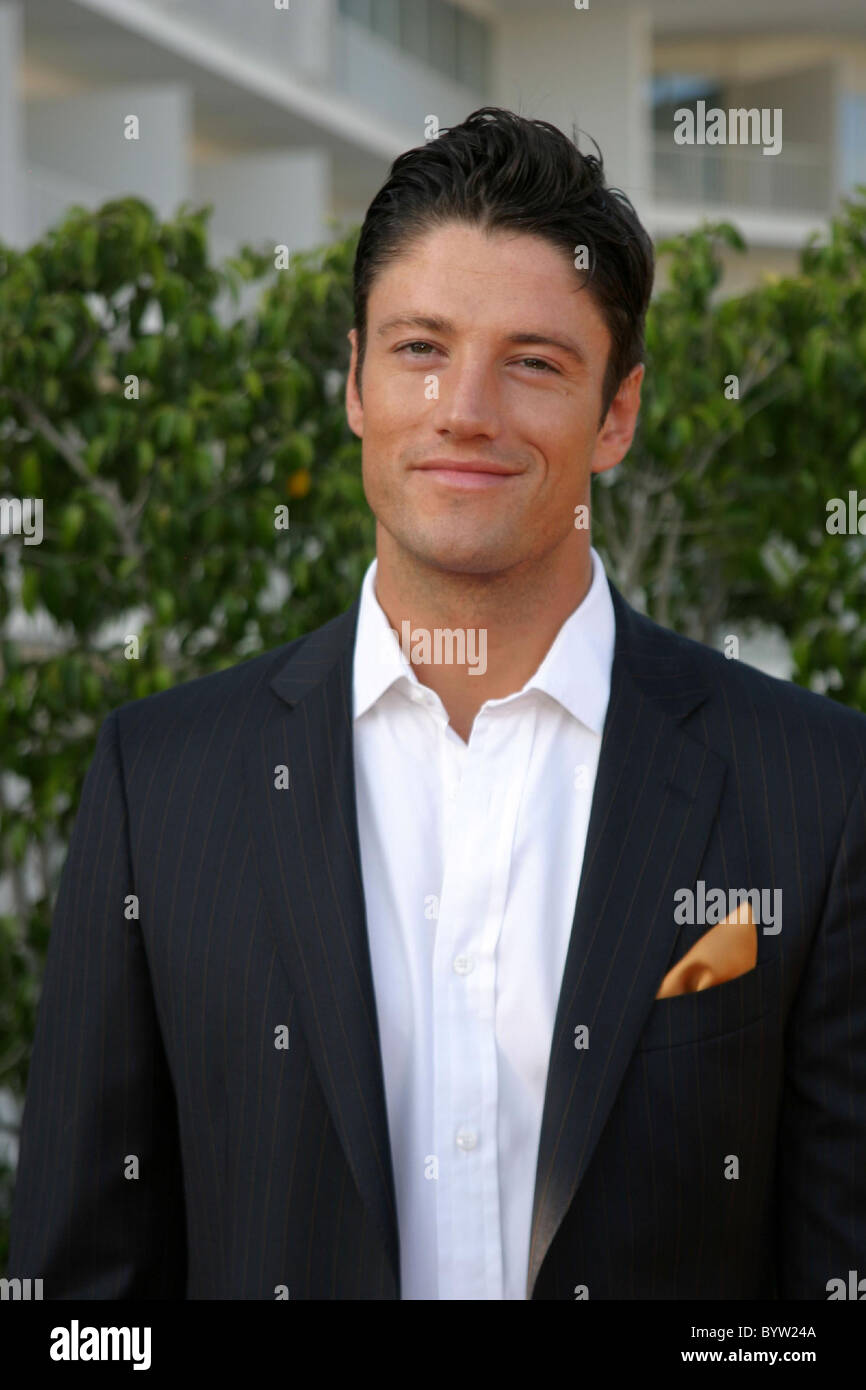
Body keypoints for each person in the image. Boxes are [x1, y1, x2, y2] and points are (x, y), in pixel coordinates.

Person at [8, 107, 866, 1300]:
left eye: (532, 361)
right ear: (354, 382)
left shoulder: (817, 791)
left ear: (614, 414)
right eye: (419, 347)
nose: (465, 407)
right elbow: (83, 1297)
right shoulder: (161, 783)